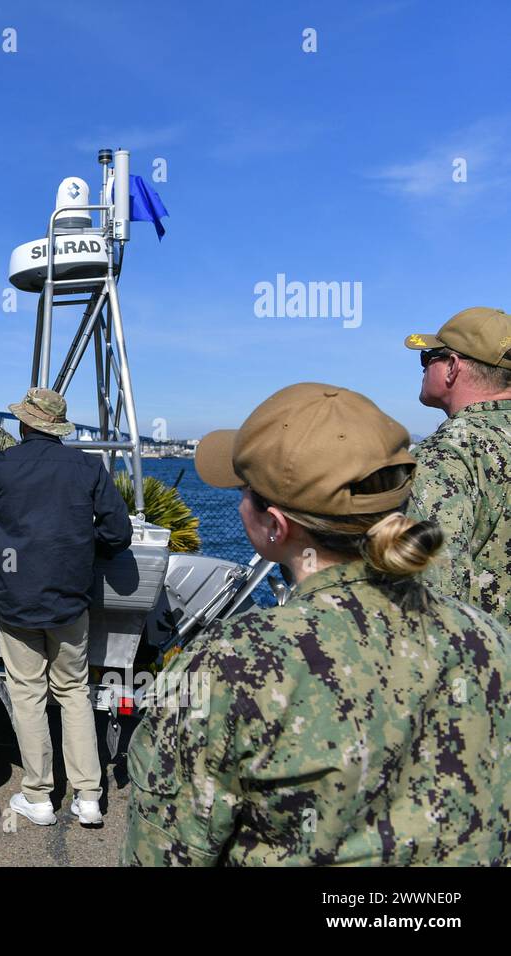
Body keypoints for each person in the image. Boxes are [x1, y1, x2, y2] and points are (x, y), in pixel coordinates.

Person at [123, 382, 511, 866]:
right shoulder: (489, 638)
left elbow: (166, 851)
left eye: (245, 492)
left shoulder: (231, 666)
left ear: (275, 526)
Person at [0, 387, 131, 827]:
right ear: (56, 428)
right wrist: (80, 545)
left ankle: (39, 797)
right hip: (69, 599)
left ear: (24, 424)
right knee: (75, 693)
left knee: (28, 694)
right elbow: (118, 534)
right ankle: (88, 798)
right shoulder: (87, 467)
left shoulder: (1, 465)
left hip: (15, 598)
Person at [403, 306, 511, 631]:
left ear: (452, 366)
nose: (422, 369)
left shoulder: (446, 453)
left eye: (428, 358)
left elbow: (436, 598)